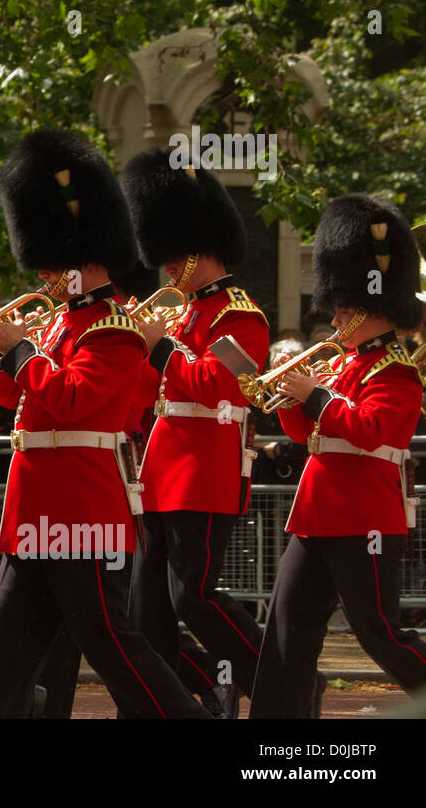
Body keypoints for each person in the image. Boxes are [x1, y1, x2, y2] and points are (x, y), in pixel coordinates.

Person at [0, 130, 206, 719]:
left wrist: (22, 353)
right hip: (34, 510)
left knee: (112, 645)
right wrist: (1, 355)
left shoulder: (115, 332)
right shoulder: (53, 330)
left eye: (57, 263)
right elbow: (12, 397)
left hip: (81, 513)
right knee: (4, 657)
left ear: (90, 259)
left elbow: (70, 401)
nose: (46, 275)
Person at [251, 194, 426, 717]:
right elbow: (311, 433)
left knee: (379, 633)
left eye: (347, 309)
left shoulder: (396, 374)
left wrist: (315, 395)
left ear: (377, 310)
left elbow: (369, 430)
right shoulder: (345, 366)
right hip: (317, 514)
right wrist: (289, 397)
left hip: (365, 518)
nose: (338, 316)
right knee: (286, 633)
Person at [121, 147, 268, 711]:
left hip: (206, 472)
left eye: (171, 254)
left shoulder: (241, 316)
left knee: (194, 596)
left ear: (195, 249)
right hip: (160, 472)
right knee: (147, 610)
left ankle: (279, 677)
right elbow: (144, 397)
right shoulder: (184, 314)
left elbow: (213, 386)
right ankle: (188, 697)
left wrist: (159, 344)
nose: (163, 267)